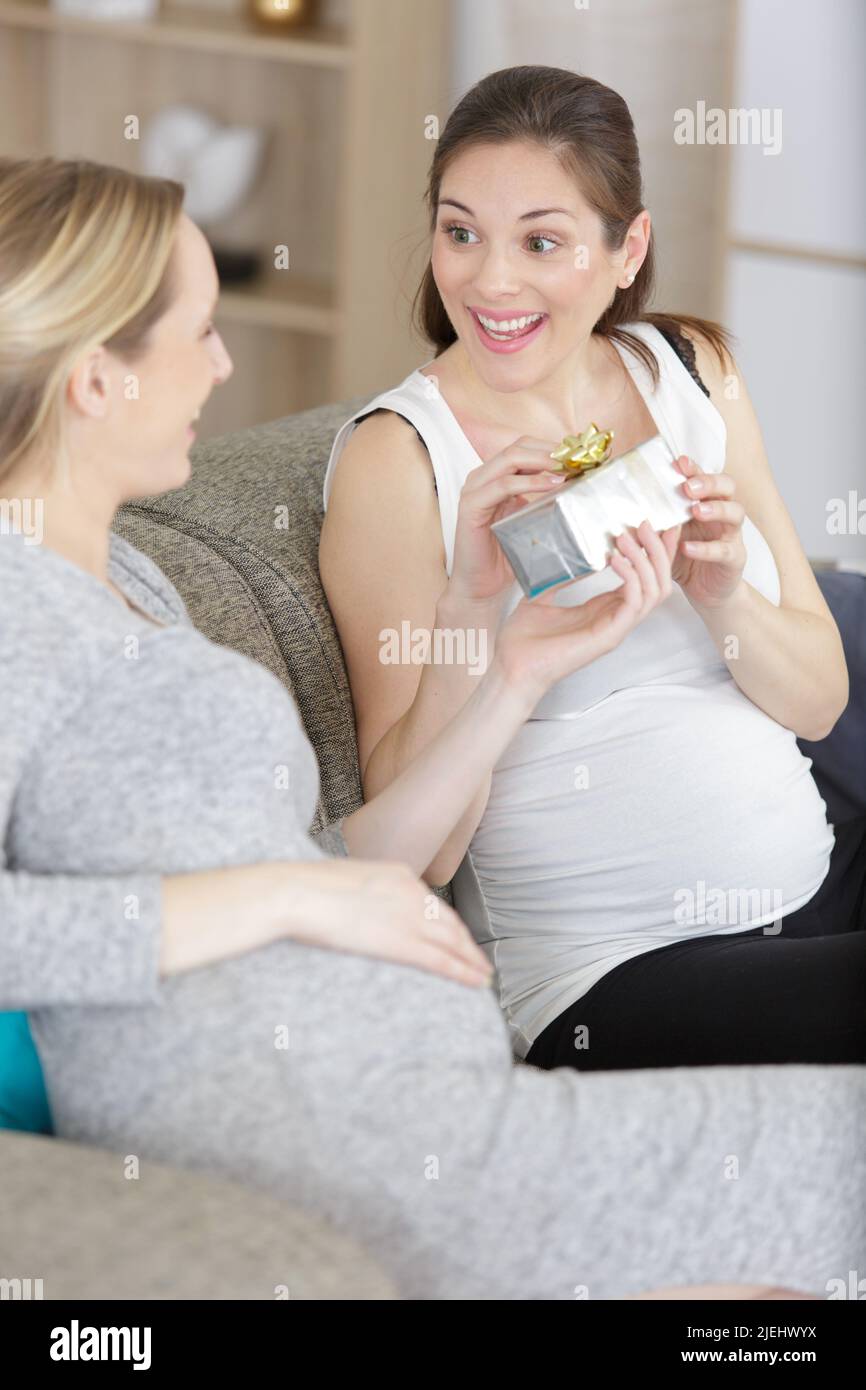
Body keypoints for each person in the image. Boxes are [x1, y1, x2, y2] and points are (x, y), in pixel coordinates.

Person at [1, 154, 862, 1301]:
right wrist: (284, 895)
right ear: (96, 379)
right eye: (200, 331)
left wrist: (502, 663)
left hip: (435, 1083)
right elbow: (291, 890)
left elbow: (366, 866)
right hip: (363, 1137)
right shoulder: (18, 605)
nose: (226, 363)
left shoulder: (126, 581)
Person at [319, 65, 865, 1074]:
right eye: (459, 232)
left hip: (821, 890)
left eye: (540, 240)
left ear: (628, 250)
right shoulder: (399, 459)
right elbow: (420, 851)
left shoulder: (692, 369)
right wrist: (474, 606)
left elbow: (820, 701)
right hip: (613, 973)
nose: (489, 282)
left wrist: (718, 594)